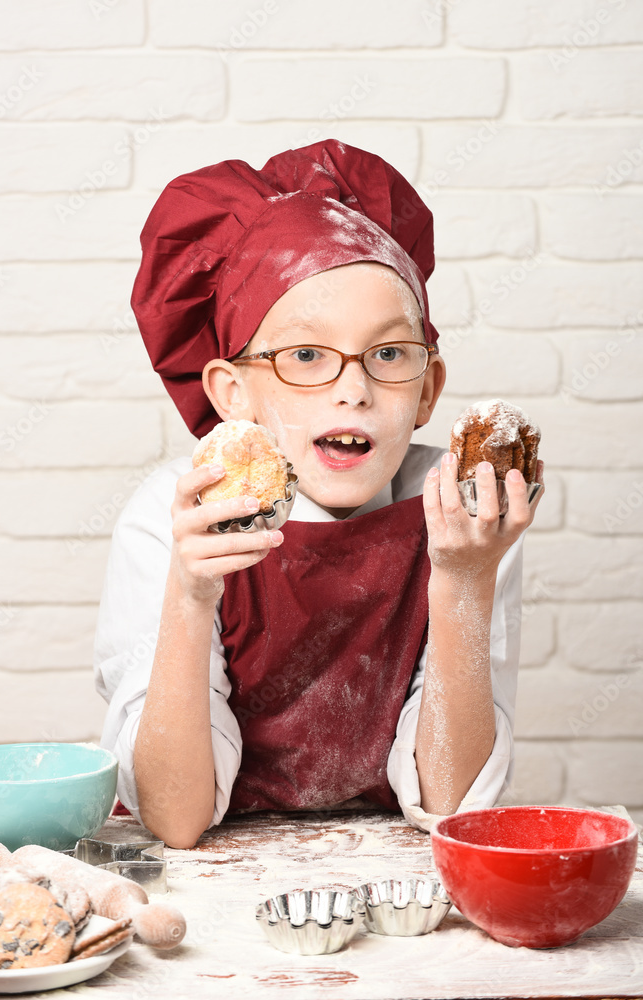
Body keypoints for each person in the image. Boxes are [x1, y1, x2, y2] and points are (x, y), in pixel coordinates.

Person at [94, 139, 544, 849]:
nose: (354, 388)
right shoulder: (175, 517)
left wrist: (463, 581)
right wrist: (189, 594)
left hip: (385, 873)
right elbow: (173, 819)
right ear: (231, 393)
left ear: (427, 388)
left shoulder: (463, 520)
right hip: (210, 876)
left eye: (389, 353)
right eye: (305, 355)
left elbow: (452, 808)